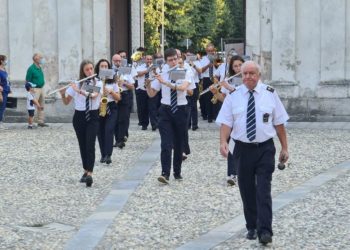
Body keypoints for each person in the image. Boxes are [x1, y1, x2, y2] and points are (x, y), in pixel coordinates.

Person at [216, 61, 289, 245]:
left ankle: (265, 230)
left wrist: (284, 148)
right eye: (245, 74)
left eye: (252, 73)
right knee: (247, 189)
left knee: (263, 190)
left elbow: (279, 123)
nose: (248, 77)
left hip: (264, 148)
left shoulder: (270, 94)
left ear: (259, 75)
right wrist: (223, 141)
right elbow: (226, 122)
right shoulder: (234, 96)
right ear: (241, 75)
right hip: (242, 149)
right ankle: (252, 226)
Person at [146, 48, 195, 184]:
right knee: (166, 143)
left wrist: (165, 82)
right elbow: (152, 94)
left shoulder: (185, 70)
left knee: (179, 143)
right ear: (166, 61)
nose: (173, 62)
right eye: (170, 60)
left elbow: (183, 87)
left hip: (180, 108)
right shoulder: (162, 72)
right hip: (165, 109)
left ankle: (177, 172)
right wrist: (148, 85)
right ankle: (165, 173)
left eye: (175, 59)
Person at [59, 60, 103, 187]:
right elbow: (67, 101)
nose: (89, 71)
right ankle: (85, 170)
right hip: (79, 117)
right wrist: (63, 94)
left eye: (91, 69)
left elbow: (94, 95)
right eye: (87, 70)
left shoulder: (97, 82)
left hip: (93, 116)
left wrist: (79, 90)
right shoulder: (78, 83)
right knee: (82, 145)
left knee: (90, 144)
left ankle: (90, 173)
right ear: (83, 72)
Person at [211, 55, 245, 185]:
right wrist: (215, 92)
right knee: (231, 144)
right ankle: (232, 174)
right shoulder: (228, 80)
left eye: (240, 65)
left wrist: (230, 88)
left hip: (245, 116)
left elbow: (243, 96)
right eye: (235, 66)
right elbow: (224, 99)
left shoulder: (248, 79)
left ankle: (245, 171)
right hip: (232, 116)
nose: (238, 68)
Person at [95, 59, 121, 164]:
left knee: (109, 130)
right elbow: (88, 91)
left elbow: (118, 97)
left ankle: (108, 155)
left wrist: (110, 91)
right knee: (100, 131)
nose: (104, 68)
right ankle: (103, 154)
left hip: (111, 107)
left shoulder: (112, 80)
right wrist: (98, 93)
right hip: (99, 107)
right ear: (99, 68)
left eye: (106, 66)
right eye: (102, 66)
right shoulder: (95, 80)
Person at [112, 54, 135, 149]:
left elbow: (132, 86)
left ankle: (120, 140)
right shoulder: (110, 71)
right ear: (112, 61)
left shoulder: (126, 71)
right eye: (116, 61)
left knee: (123, 118)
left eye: (119, 61)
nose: (118, 62)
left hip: (124, 95)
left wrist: (124, 83)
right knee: (115, 119)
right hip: (113, 96)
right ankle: (118, 138)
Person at [25, 53, 48, 127]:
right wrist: (30, 90)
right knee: (33, 105)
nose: (42, 59)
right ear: (36, 59)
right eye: (40, 58)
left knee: (41, 104)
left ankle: (40, 121)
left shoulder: (39, 67)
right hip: (34, 89)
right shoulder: (31, 68)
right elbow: (27, 80)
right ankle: (32, 122)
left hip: (41, 88)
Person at [0, 55, 11, 130]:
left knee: (3, 107)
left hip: (6, 90)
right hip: (1, 91)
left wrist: (9, 88)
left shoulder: (4, 69)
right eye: (5, 60)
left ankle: (1, 122)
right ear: (1, 61)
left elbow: (7, 80)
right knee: (1, 107)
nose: (6, 61)